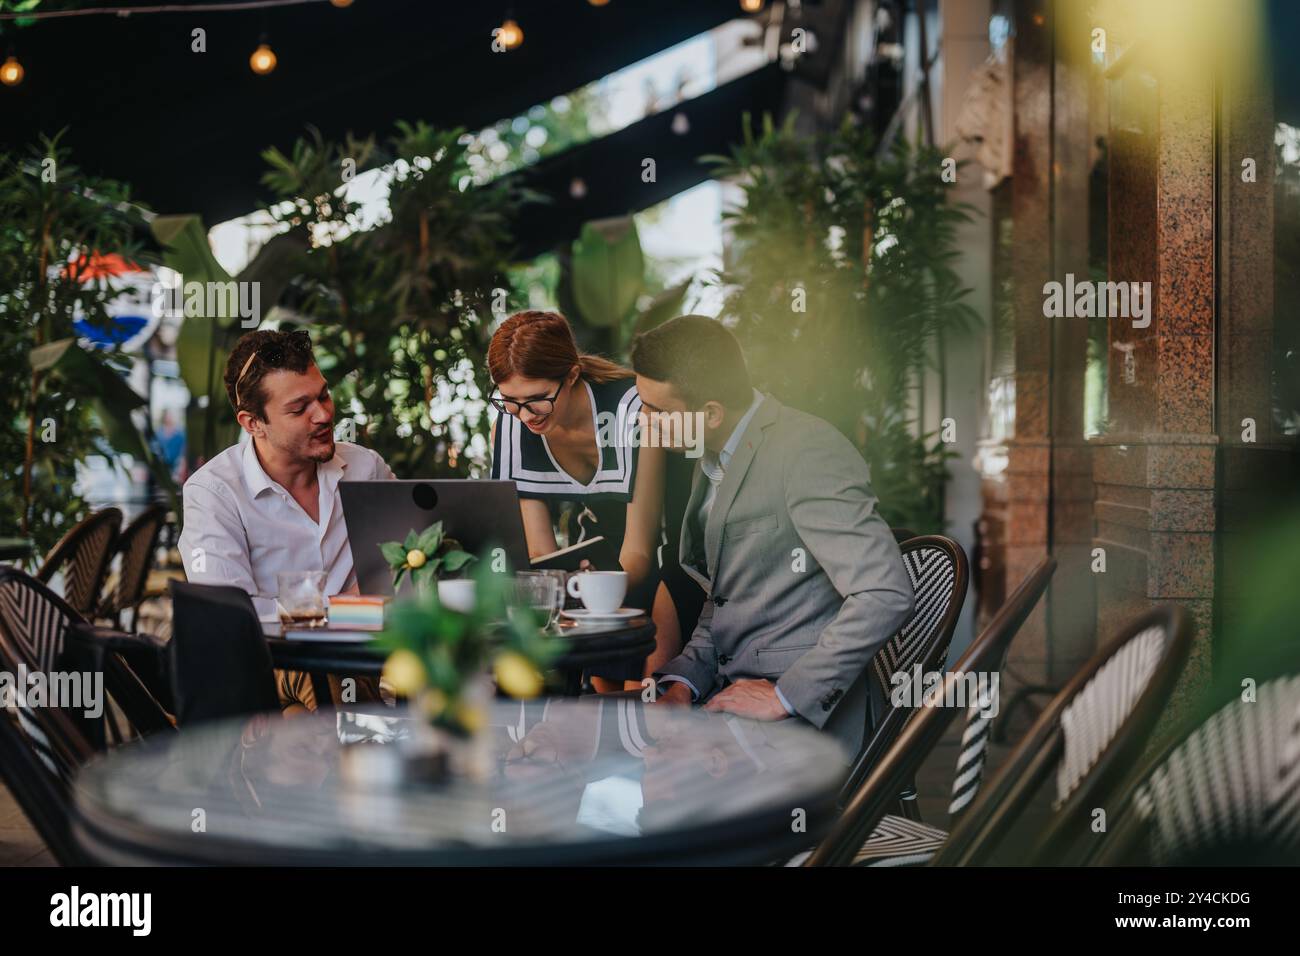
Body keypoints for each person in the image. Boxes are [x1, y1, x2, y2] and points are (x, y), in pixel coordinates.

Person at [630, 315, 916, 760]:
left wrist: (785, 697)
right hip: (729, 709)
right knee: (608, 737)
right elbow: (724, 602)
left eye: (658, 412)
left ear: (710, 413)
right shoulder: (711, 458)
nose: (644, 423)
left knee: (637, 778)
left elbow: (883, 591)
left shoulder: (807, 452)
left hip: (804, 730)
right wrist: (682, 682)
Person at [487, 311, 705, 692]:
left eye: (537, 399)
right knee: (598, 696)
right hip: (598, 557)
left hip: (669, 548)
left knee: (647, 691)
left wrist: (584, 592)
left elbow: (640, 550)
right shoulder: (510, 426)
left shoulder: (634, 412)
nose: (524, 416)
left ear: (571, 375)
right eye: (509, 400)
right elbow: (541, 551)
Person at [178, 329, 394, 712]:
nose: (324, 414)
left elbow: (409, 561)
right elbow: (232, 618)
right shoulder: (214, 492)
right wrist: (341, 609)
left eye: (323, 395)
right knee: (331, 685)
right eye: (299, 409)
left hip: (363, 658)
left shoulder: (365, 467)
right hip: (267, 663)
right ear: (252, 422)